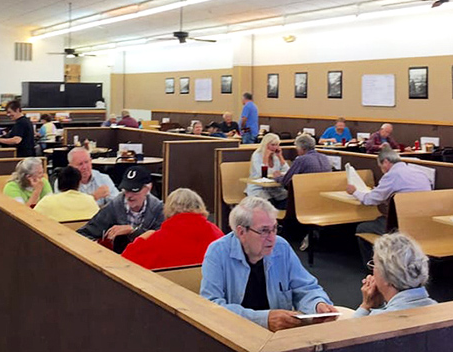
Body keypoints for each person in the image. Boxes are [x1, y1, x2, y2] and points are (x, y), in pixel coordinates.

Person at [200, 197, 336, 331]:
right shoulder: (218, 252)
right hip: (236, 334)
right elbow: (211, 305)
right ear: (241, 232)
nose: (272, 238)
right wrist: (263, 319)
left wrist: (317, 304)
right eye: (264, 231)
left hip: (278, 335)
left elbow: (306, 288)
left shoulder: (281, 247)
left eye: (275, 228)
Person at [347, 146, 432, 265]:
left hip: (400, 225)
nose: (381, 169)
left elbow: (370, 200)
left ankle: (374, 268)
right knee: (379, 219)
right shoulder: (419, 172)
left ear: (386, 162)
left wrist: (354, 192)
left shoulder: (392, 175)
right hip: (423, 221)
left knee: (362, 228)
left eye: (380, 166)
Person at [122, 188, 224, 269]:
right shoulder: (217, 234)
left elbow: (125, 263)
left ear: (168, 209)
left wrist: (141, 239)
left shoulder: (157, 240)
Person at [77, 166, 164, 253]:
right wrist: (99, 248)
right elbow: (83, 234)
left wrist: (133, 230)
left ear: (148, 188)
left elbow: (161, 240)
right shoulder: (113, 207)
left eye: (134, 190)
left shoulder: (159, 210)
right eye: (126, 190)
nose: (129, 195)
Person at [355, 233, 437, 317]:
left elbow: (350, 329)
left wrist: (366, 306)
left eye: (374, 265)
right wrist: (380, 306)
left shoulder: (378, 319)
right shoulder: (438, 309)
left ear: (386, 276)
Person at [34, 166, 99, 222]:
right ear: (79, 183)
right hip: (83, 235)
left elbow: (32, 219)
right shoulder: (90, 200)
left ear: (58, 183)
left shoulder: (47, 201)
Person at [246, 133, 289, 206]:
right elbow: (262, 174)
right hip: (259, 188)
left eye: (277, 145)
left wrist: (280, 157)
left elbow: (287, 171)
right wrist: (266, 157)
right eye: (272, 145)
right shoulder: (257, 155)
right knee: (269, 204)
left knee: (288, 200)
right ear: (265, 145)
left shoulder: (276, 155)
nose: (275, 147)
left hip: (274, 188)